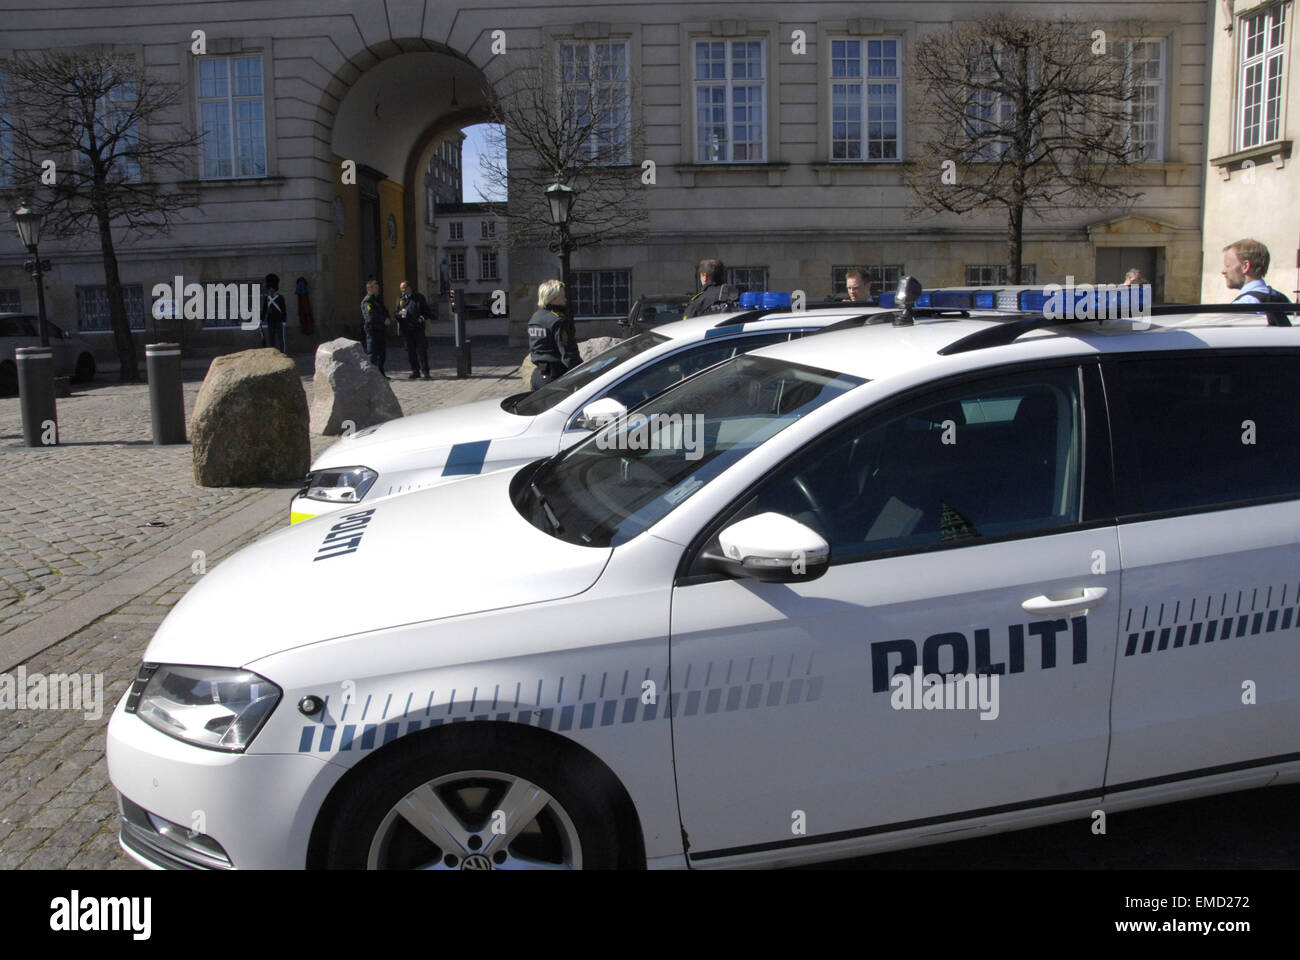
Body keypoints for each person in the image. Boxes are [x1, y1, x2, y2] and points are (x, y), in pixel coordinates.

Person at [527, 279, 580, 390]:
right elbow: (568, 354)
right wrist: (582, 373)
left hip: (537, 376)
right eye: (562, 296)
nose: (565, 299)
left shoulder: (535, 317)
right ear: (553, 299)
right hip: (555, 378)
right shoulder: (557, 321)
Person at [1222, 239, 1291, 304]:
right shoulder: (1285, 300)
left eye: (1227, 266)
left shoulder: (1244, 303)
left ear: (1245, 266)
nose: (1223, 271)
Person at [395, 280, 431, 379]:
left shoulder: (419, 298)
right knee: (410, 352)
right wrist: (398, 314)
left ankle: (425, 371)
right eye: (401, 288)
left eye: (403, 288)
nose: (401, 290)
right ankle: (415, 371)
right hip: (406, 330)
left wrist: (422, 318)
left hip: (418, 329)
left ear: (409, 288)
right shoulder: (400, 299)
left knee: (422, 351)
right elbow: (396, 313)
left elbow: (427, 311)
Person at [360, 277, 392, 378]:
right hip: (373, 330)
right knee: (372, 354)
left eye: (378, 288)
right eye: (375, 288)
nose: (377, 290)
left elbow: (384, 311)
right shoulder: (367, 301)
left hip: (381, 330)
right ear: (370, 289)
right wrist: (383, 320)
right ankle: (372, 376)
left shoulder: (378, 300)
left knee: (382, 353)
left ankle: (381, 373)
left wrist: (387, 318)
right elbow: (371, 316)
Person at [261, 273, 287, 352]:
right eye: (269, 288)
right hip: (270, 321)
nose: (270, 290)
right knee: (271, 339)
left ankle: (283, 353)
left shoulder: (280, 297)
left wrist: (284, 320)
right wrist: (261, 319)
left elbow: (283, 309)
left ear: (274, 288)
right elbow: (264, 309)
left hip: (279, 320)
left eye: (272, 288)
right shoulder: (267, 298)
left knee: (281, 338)